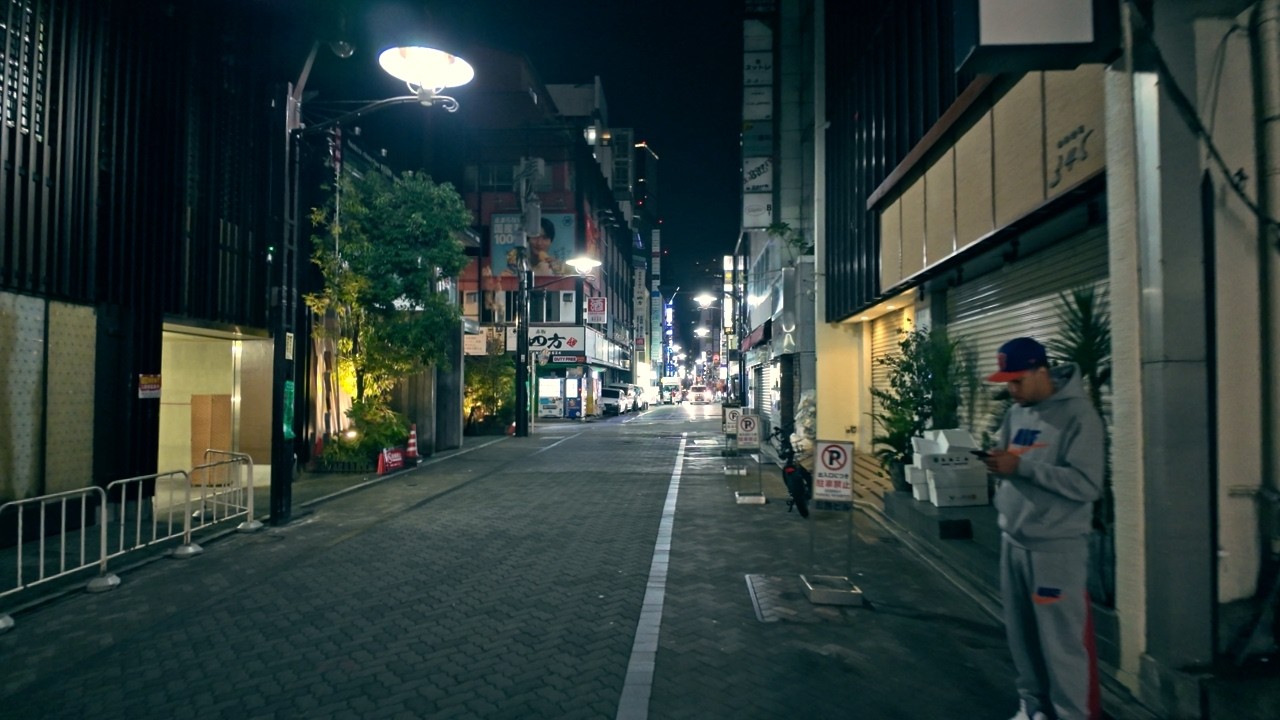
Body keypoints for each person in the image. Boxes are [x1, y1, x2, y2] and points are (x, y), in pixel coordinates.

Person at [982, 337, 1104, 720]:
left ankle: (1070, 714)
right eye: (1008, 382)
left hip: (1055, 548)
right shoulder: (1015, 414)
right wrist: (999, 466)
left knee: (1060, 642)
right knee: (1022, 636)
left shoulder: (1079, 417)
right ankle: (1034, 707)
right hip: (1014, 540)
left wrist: (1021, 467)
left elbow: (1087, 484)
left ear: (1041, 372)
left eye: (1018, 381)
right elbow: (1012, 464)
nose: (1012, 390)